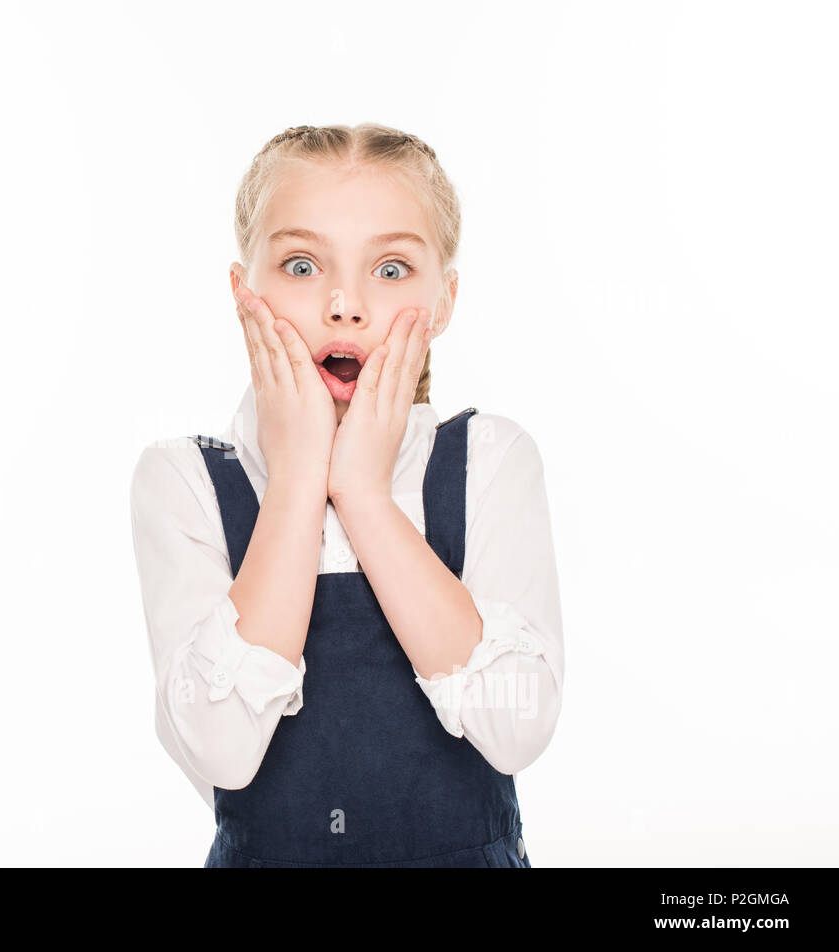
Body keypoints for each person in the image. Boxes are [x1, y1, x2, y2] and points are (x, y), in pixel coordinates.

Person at [129, 124, 565, 867]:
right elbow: (221, 751)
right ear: (244, 294)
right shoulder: (186, 480)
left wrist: (363, 494)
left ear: (444, 300)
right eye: (301, 264)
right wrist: (300, 479)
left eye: (391, 269)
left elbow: (518, 725)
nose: (344, 304)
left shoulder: (490, 460)